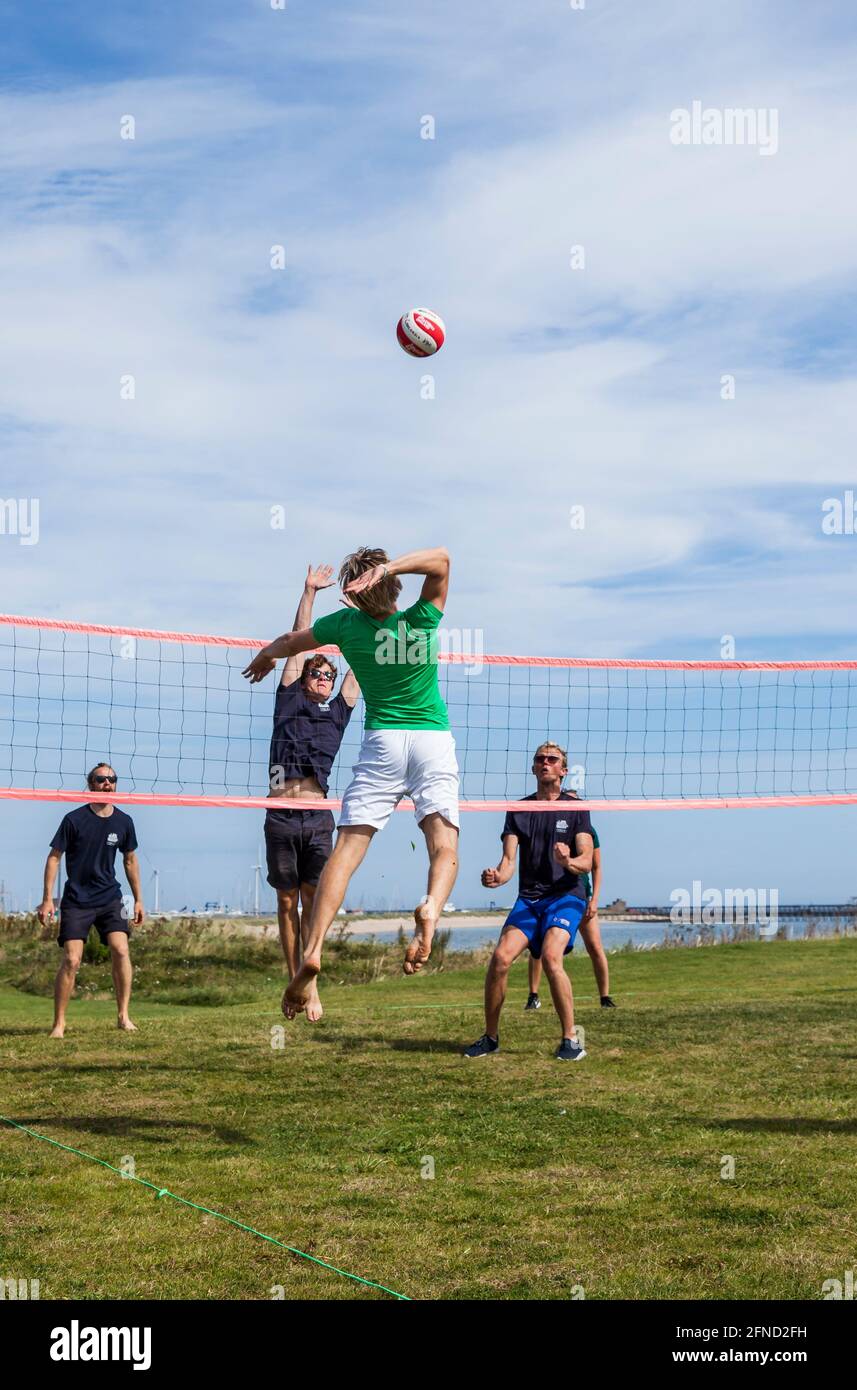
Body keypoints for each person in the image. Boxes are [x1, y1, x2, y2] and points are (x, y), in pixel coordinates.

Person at [243, 545, 458, 1016]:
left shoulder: (345, 627)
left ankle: (313, 949)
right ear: (394, 585)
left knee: (346, 852)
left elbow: (290, 642)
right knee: (443, 846)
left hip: (383, 741)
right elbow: (442, 558)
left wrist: (264, 654)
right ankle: (432, 907)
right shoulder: (422, 619)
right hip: (430, 740)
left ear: (353, 596)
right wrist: (390, 567)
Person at [264, 564, 360, 1023]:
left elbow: (358, 665)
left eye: (328, 673)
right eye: (317, 671)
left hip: (319, 817)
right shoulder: (290, 696)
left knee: (313, 902)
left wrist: (360, 613)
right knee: (287, 904)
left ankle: (312, 985)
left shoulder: (339, 711)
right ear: (304, 677)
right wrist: (308, 592)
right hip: (281, 814)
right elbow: (299, 638)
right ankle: (292, 983)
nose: (323, 677)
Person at [465, 741, 593, 1061]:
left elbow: (586, 861)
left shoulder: (575, 807)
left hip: (566, 896)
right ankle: (490, 1037)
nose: (545, 763)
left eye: (552, 760)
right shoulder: (519, 809)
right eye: (540, 759)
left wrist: (569, 862)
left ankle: (570, 1039)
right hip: (530, 899)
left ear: (563, 770)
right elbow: (508, 862)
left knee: (551, 958)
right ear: (534, 768)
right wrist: (497, 877)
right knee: (500, 959)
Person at [37, 763, 144, 1038]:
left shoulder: (124, 821)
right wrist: (47, 899)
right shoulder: (74, 819)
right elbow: (54, 857)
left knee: (121, 950)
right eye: (101, 779)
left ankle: (123, 1016)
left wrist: (139, 901)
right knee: (72, 959)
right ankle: (59, 1024)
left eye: (112, 779)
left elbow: (130, 860)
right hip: (77, 899)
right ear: (91, 784)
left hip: (111, 897)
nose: (107, 783)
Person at [525, 794, 615, 1010]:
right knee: (540, 949)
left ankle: (605, 997)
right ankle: (533, 996)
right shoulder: (550, 825)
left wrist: (594, 900)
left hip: (580, 896)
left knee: (594, 946)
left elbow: (596, 867)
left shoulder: (589, 831)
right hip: (550, 894)